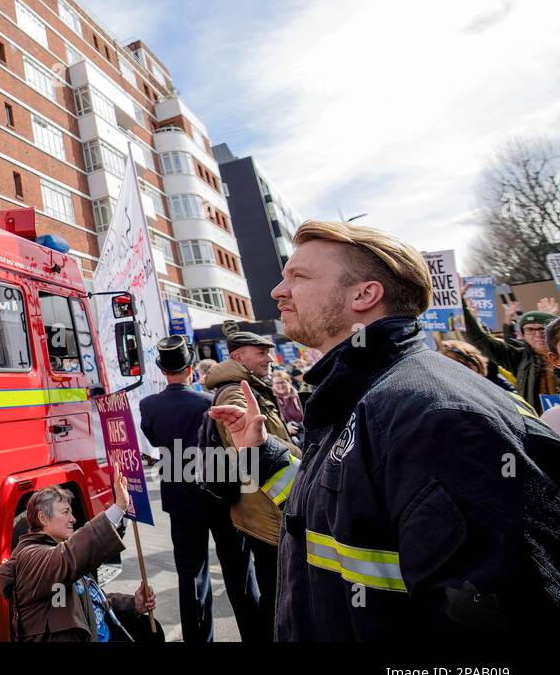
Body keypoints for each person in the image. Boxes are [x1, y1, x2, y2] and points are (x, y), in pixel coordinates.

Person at [210, 220, 560, 640]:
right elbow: (339, 518)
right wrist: (264, 454)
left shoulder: (438, 417)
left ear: (364, 294)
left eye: (299, 276)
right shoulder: (360, 395)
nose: (277, 291)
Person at [140, 336, 260, 642]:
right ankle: (256, 633)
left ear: (162, 370)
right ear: (191, 368)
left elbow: (154, 441)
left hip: (180, 497)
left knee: (191, 575)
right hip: (219, 493)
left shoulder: (149, 405)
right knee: (239, 570)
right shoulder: (209, 402)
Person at [203, 322, 299, 642]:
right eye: (260, 353)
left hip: (266, 503)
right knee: (277, 597)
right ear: (238, 356)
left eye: (268, 352)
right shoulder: (235, 390)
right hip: (265, 510)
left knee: (276, 594)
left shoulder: (249, 384)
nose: (268, 359)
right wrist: (298, 456)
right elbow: (250, 452)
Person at [0, 475, 156, 641]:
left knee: (152, 630)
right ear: (42, 518)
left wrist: (133, 603)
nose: (73, 519)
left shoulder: (58, 551)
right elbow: (68, 556)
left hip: (102, 630)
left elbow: (91, 599)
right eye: (65, 512)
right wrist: (118, 509)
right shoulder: (31, 557)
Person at [460, 285, 558, 415]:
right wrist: (460, 304)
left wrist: (555, 322)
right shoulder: (518, 358)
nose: (537, 334)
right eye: (530, 329)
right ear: (523, 335)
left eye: (542, 329)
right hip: (539, 425)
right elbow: (480, 340)